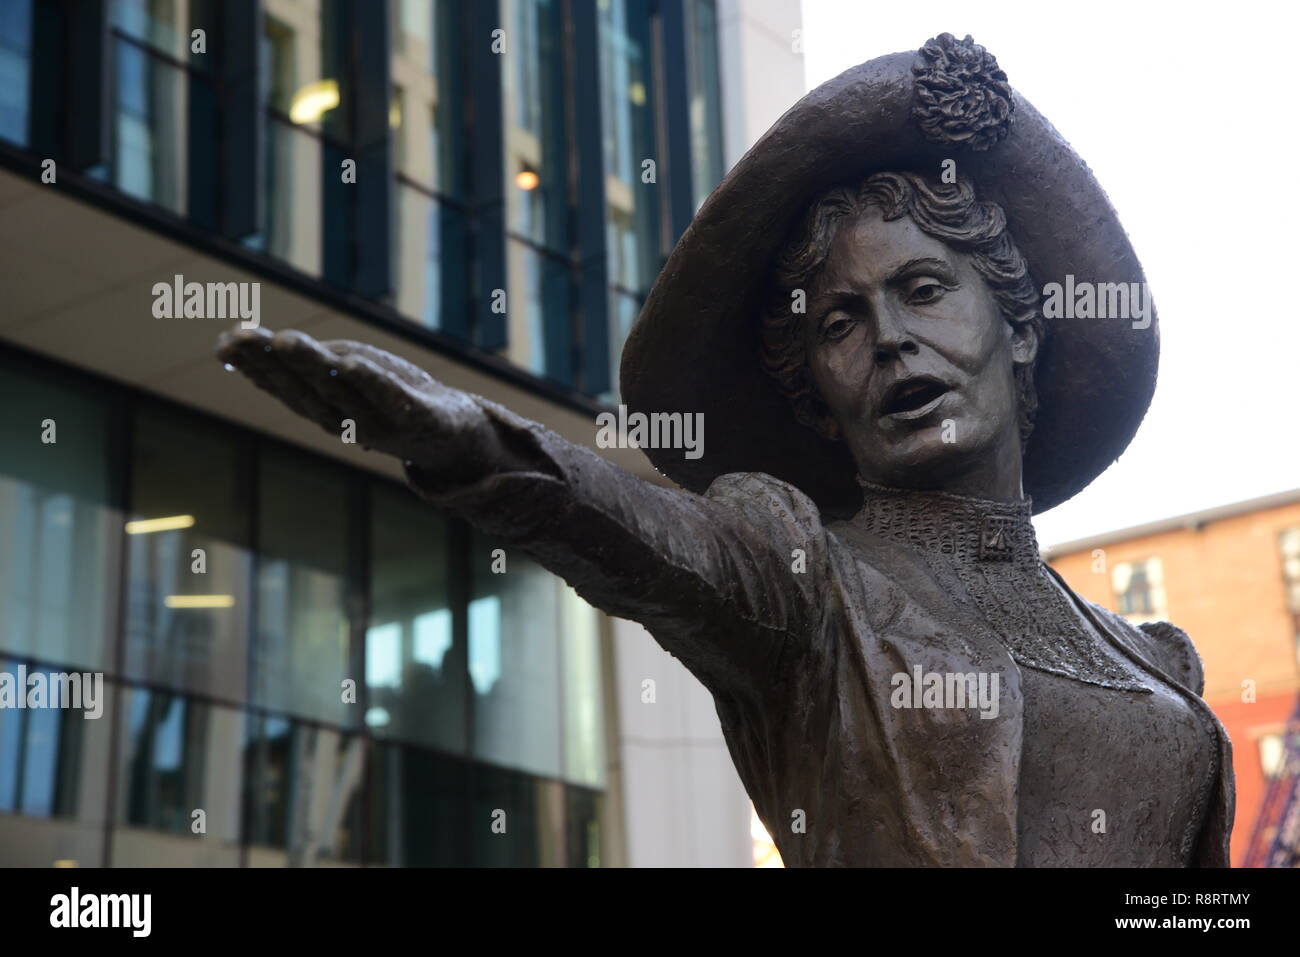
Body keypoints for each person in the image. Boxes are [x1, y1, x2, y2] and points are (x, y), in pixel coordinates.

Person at [217, 34, 1233, 866]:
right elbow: (639, 533)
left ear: (1018, 327)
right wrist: (477, 445)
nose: (886, 338)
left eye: (923, 290)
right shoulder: (803, 576)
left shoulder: (1152, 658)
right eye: (838, 324)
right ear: (817, 398)